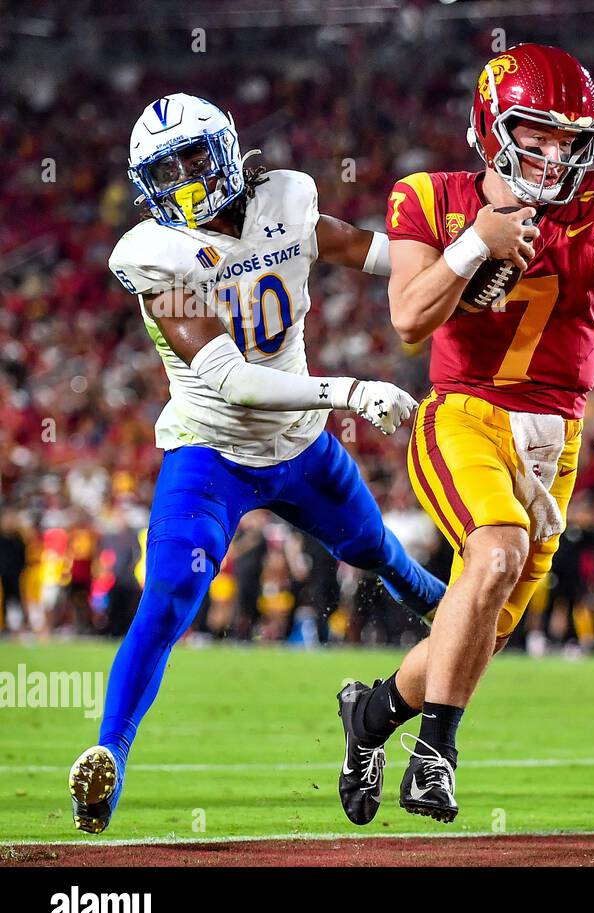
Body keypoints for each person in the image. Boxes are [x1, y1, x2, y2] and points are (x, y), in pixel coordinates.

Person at [67, 93, 447, 835]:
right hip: (212, 451)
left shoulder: (286, 198)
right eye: (164, 171)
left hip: (299, 444)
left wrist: (451, 272)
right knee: (171, 592)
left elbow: (368, 251)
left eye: (192, 159)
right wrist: (351, 391)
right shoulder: (157, 255)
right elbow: (234, 380)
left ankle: (441, 603)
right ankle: (106, 758)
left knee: (373, 548)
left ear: (227, 147)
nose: (183, 180)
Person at [335, 44, 594, 825]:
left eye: (569, 140)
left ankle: (371, 718)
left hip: (556, 439)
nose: (555, 155)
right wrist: (475, 244)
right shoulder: (430, 196)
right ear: (494, 125)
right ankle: (436, 757)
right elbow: (408, 320)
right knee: (495, 552)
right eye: (537, 134)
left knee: (478, 636)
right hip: (466, 414)